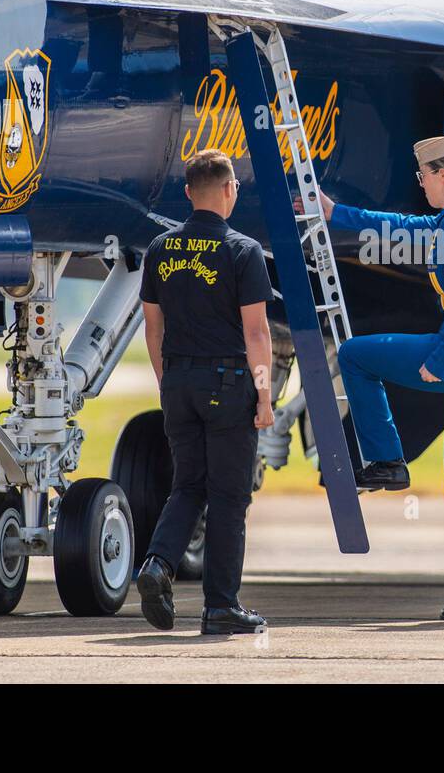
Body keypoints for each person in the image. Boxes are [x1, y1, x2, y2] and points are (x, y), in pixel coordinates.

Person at [320, 126, 444, 621]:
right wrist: (336, 214)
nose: (419, 182)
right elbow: (403, 227)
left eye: (423, 174)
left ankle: (387, 459)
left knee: (355, 356)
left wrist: (439, 361)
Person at [135, 150, 276, 635]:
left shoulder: (160, 249)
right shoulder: (243, 251)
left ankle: (157, 565)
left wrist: (166, 381)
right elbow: (257, 334)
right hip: (228, 384)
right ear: (230, 189)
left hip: (177, 382)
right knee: (229, 497)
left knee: (188, 486)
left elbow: (153, 329)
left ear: (189, 193)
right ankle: (221, 606)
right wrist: (264, 396)